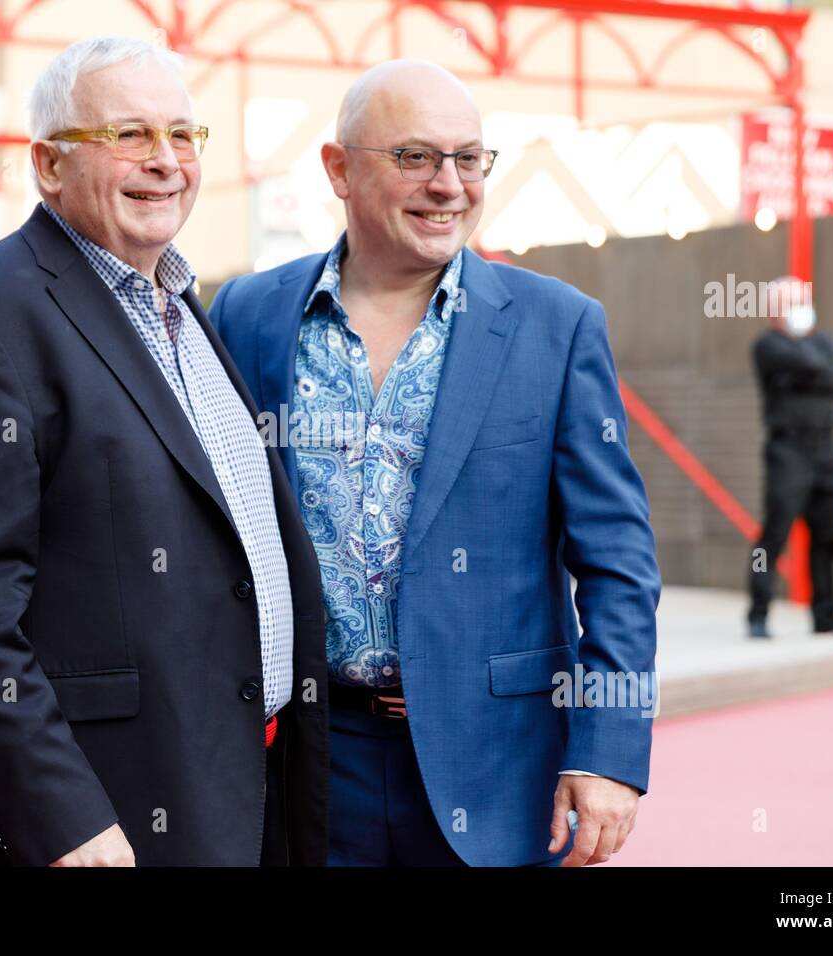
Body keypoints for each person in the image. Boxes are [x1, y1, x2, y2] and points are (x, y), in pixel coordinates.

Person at [0, 35, 328, 866]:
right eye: (128, 135)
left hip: (232, 784)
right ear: (49, 166)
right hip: (108, 813)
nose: (165, 161)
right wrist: (63, 819)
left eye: (182, 135)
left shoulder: (182, 306)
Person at [211, 60, 660, 867]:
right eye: (416, 157)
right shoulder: (248, 316)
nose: (449, 184)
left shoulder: (556, 328)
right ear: (339, 169)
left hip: (501, 768)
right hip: (307, 762)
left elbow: (619, 562)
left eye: (469, 158)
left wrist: (608, 751)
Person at [746, 278, 833, 638]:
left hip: (826, 451)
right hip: (787, 452)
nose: (800, 308)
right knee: (774, 535)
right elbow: (814, 367)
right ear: (773, 311)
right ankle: (759, 613)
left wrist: (821, 370)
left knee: (826, 538)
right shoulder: (767, 346)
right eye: (792, 302)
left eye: (803, 300)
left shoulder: (824, 340)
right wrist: (824, 371)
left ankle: (825, 615)